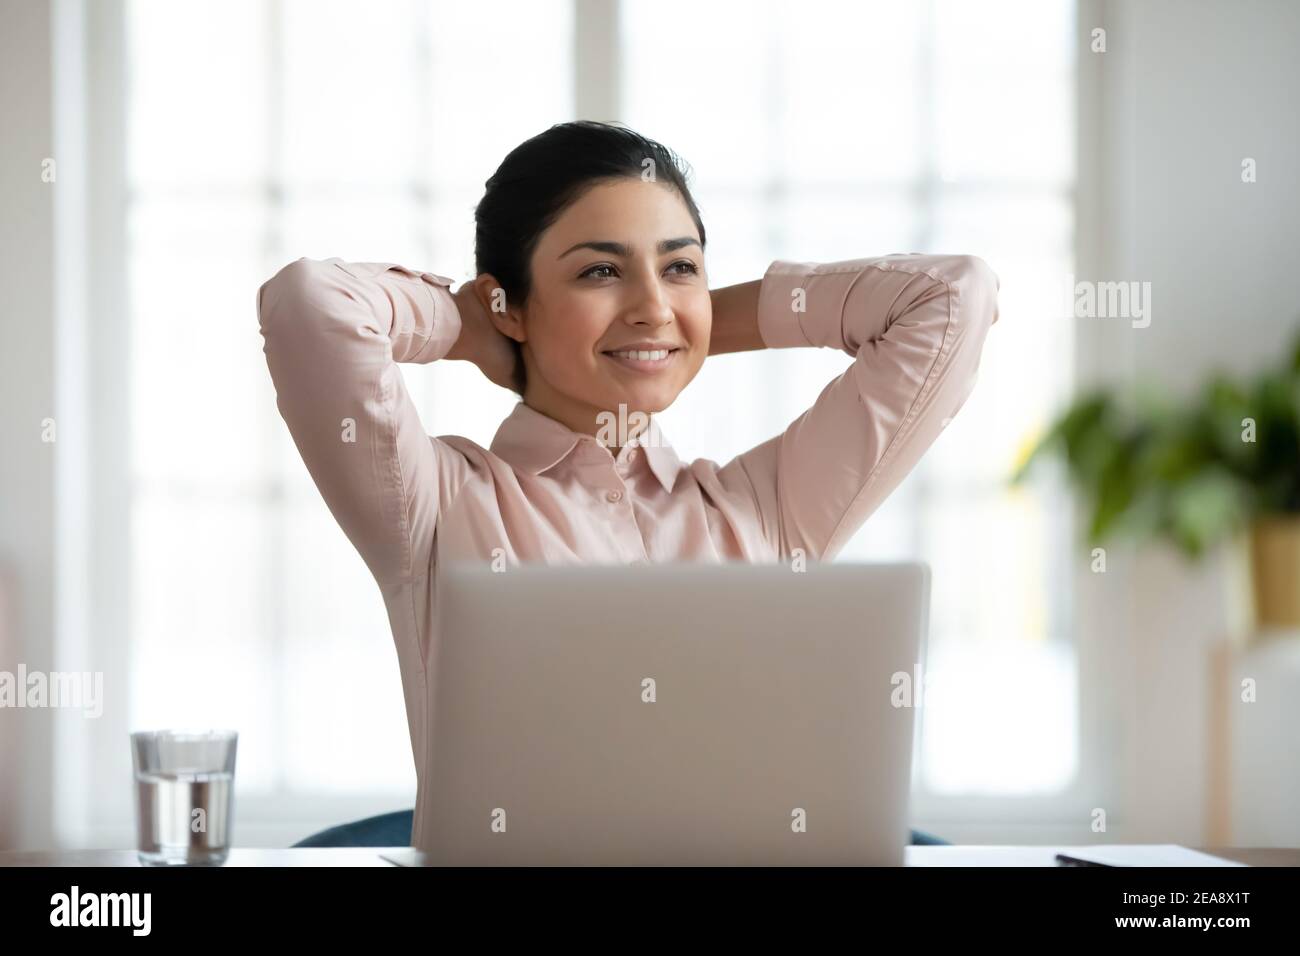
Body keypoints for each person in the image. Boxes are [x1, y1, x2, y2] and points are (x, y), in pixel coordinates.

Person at [257, 120, 1000, 850]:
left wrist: (689, 328)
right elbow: (312, 305)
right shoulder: (436, 504)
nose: (650, 300)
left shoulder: (765, 509)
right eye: (600, 271)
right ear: (508, 302)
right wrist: (473, 326)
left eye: (681, 267)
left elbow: (952, 300)